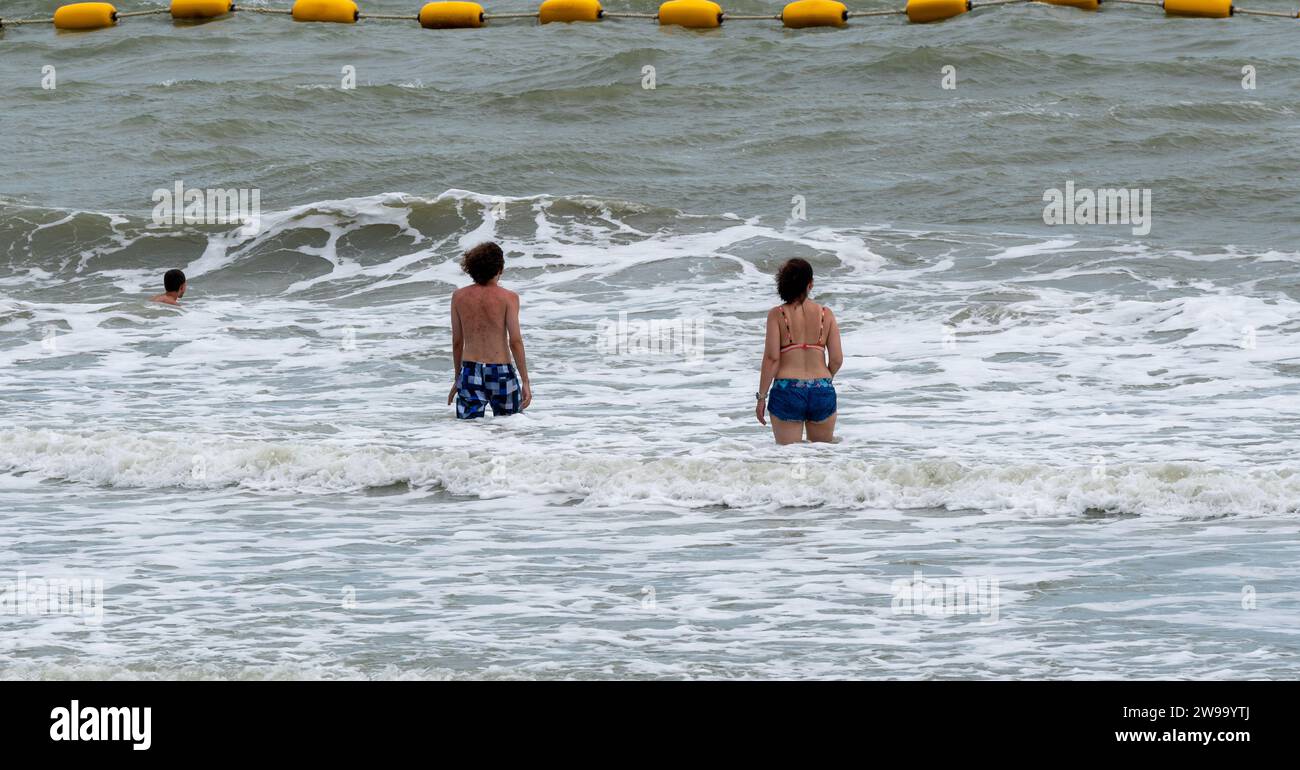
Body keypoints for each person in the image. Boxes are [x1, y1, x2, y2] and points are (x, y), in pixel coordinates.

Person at [755, 258, 842, 444]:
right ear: (810, 285)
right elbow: (836, 360)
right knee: (822, 458)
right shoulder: (827, 314)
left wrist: (761, 397)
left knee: (789, 459)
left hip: (787, 391)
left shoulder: (777, 315)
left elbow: (772, 358)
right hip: (822, 389)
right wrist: (825, 379)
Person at [447, 242, 532, 419]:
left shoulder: (459, 297)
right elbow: (515, 341)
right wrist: (525, 381)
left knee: (469, 431)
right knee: (509, 427)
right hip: (500, 371)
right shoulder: (509, 297)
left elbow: (457, 342)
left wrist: (458, 378)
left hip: (470, 370)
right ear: (499, 268)